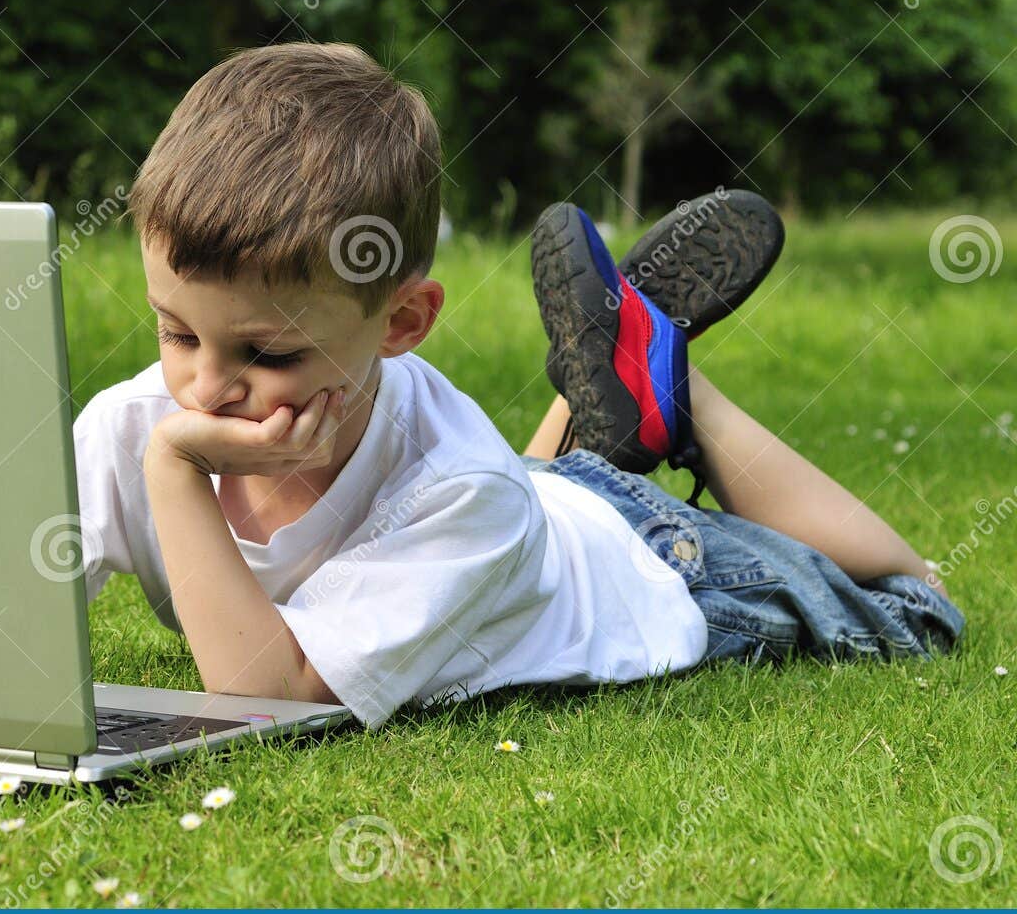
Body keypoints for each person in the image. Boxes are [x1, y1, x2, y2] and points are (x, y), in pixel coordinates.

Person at [71, 41, 964, 729]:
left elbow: (270, 691)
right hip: (522, 509)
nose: (203, 387)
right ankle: (609, 393)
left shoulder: (459, 490)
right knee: (521, 493)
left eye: (268, 356)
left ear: (403, 323)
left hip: (648, 565)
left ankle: (669, 376)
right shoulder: (128, 420)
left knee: (918, 611)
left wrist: (174, 469)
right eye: (177, 331)